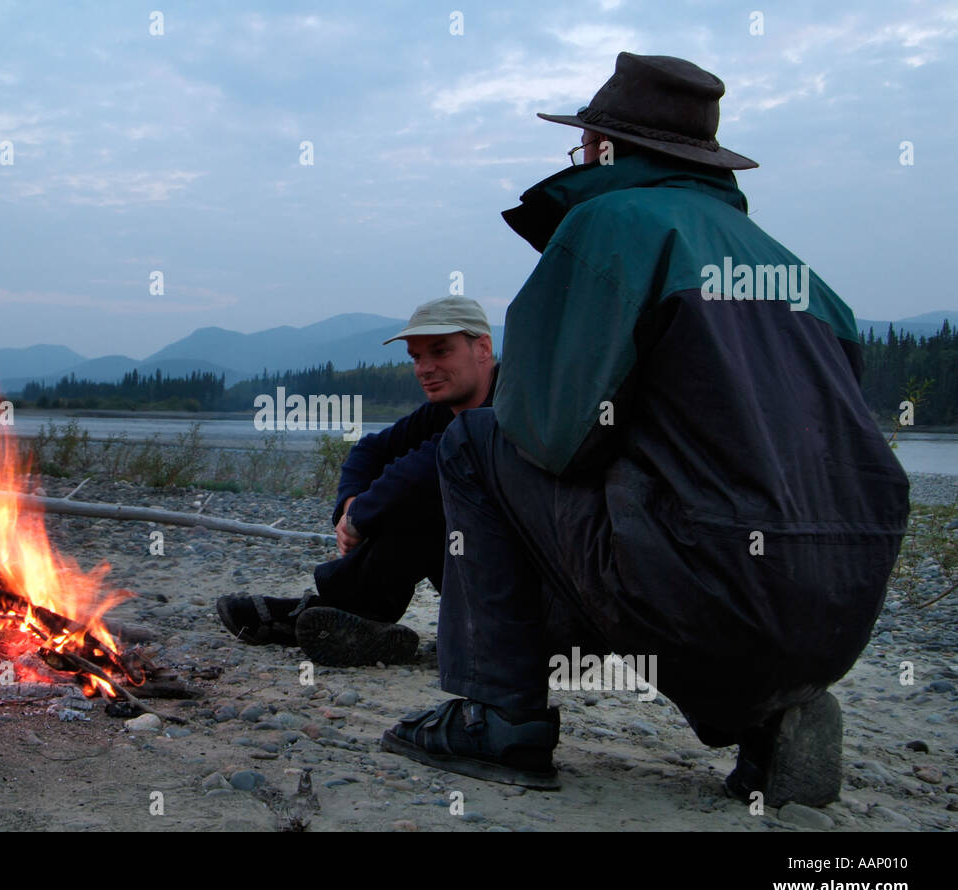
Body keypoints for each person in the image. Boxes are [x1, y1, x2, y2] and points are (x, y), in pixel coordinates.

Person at [380, 53, 910, 806]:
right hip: (839, 608)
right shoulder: (803, 277)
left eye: (582, 147)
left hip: (706, 583)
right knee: (683, 509)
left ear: (603, 148)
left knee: (474, 443)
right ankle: (769, 711)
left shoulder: (611, 222)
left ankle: (501, 716)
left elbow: (550, 433)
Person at [216, 296, 499, 666]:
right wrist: (350, 505)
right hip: (488, 593)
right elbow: (370, 450)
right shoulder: (442, 412)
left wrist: (361, 516)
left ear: (482, 348)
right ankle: (355, 620)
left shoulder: (514, 405)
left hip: (540, 605)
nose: (425, 368)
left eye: (440, 351)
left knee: (418, 499)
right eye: (416, 357)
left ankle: (328, 611)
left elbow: (430, 466)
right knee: (406, 501)